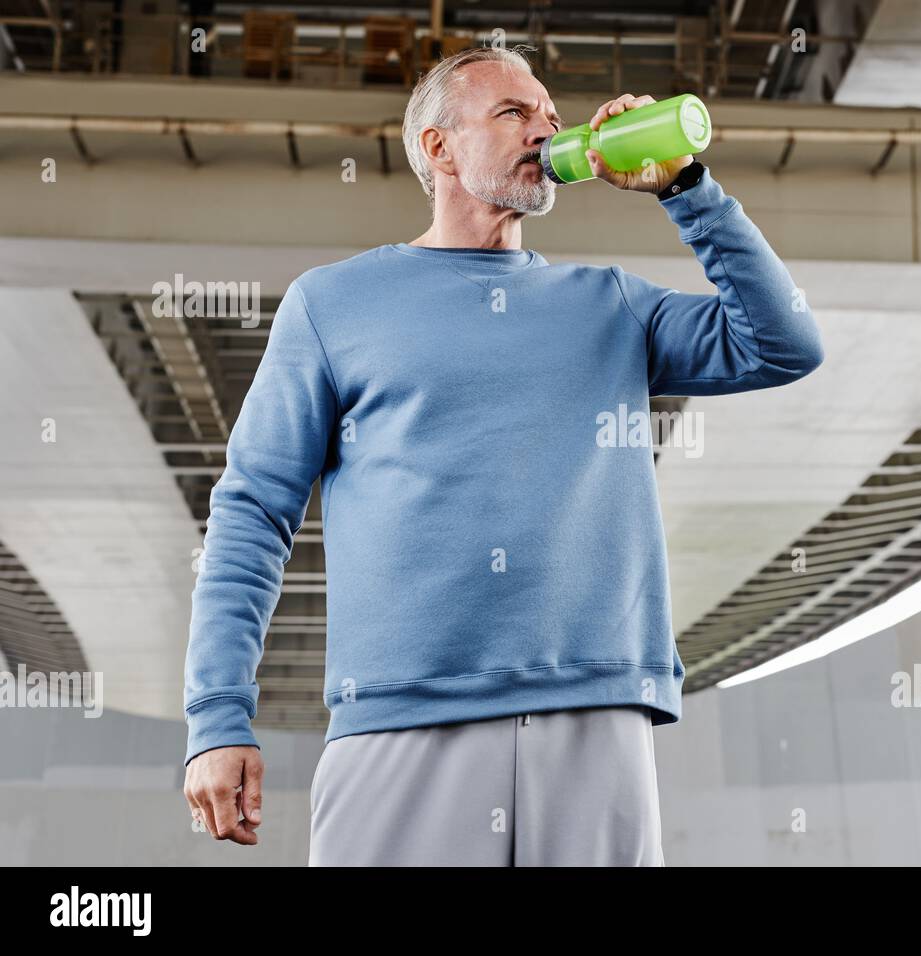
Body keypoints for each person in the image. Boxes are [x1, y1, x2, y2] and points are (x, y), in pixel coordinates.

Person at [181, 44, 824, 866]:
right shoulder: (332, 305)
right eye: (513, 112)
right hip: (401, 719)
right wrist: (217, 718)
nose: (545, 128)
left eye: (551, 115)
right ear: (437, 147)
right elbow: (251, 513)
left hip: (597, 712)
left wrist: (685, 189)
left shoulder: (613, 305)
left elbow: (785, 345)